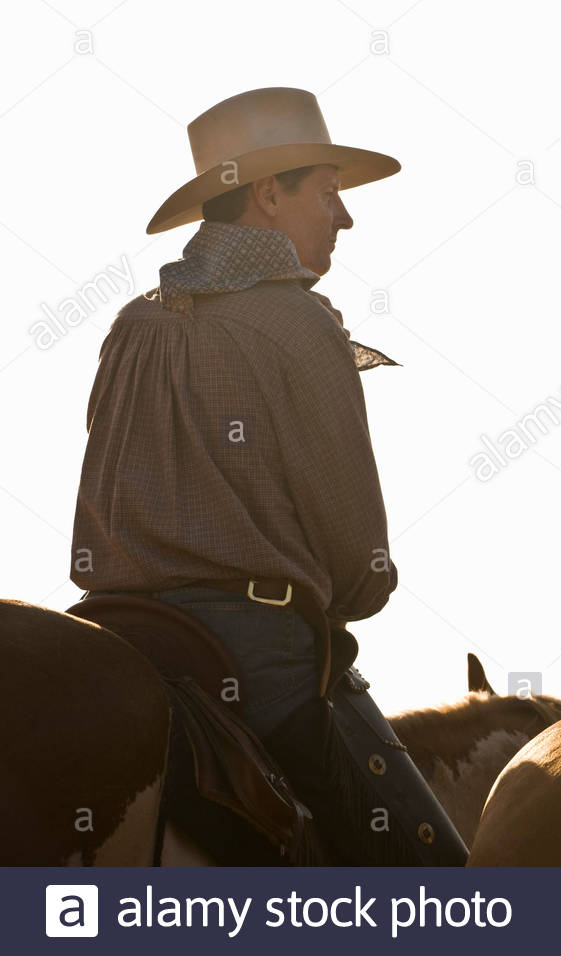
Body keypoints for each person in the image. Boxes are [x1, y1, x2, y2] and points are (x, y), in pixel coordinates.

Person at [71, 87, 466, 865]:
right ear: (268, 194)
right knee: (441, 886)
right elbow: (358, 555)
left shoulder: (132, 325)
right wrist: (356, 596)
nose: (345, 218)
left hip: (111, 637)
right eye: (329, 195)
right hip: (255, 658)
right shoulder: (299, 322)